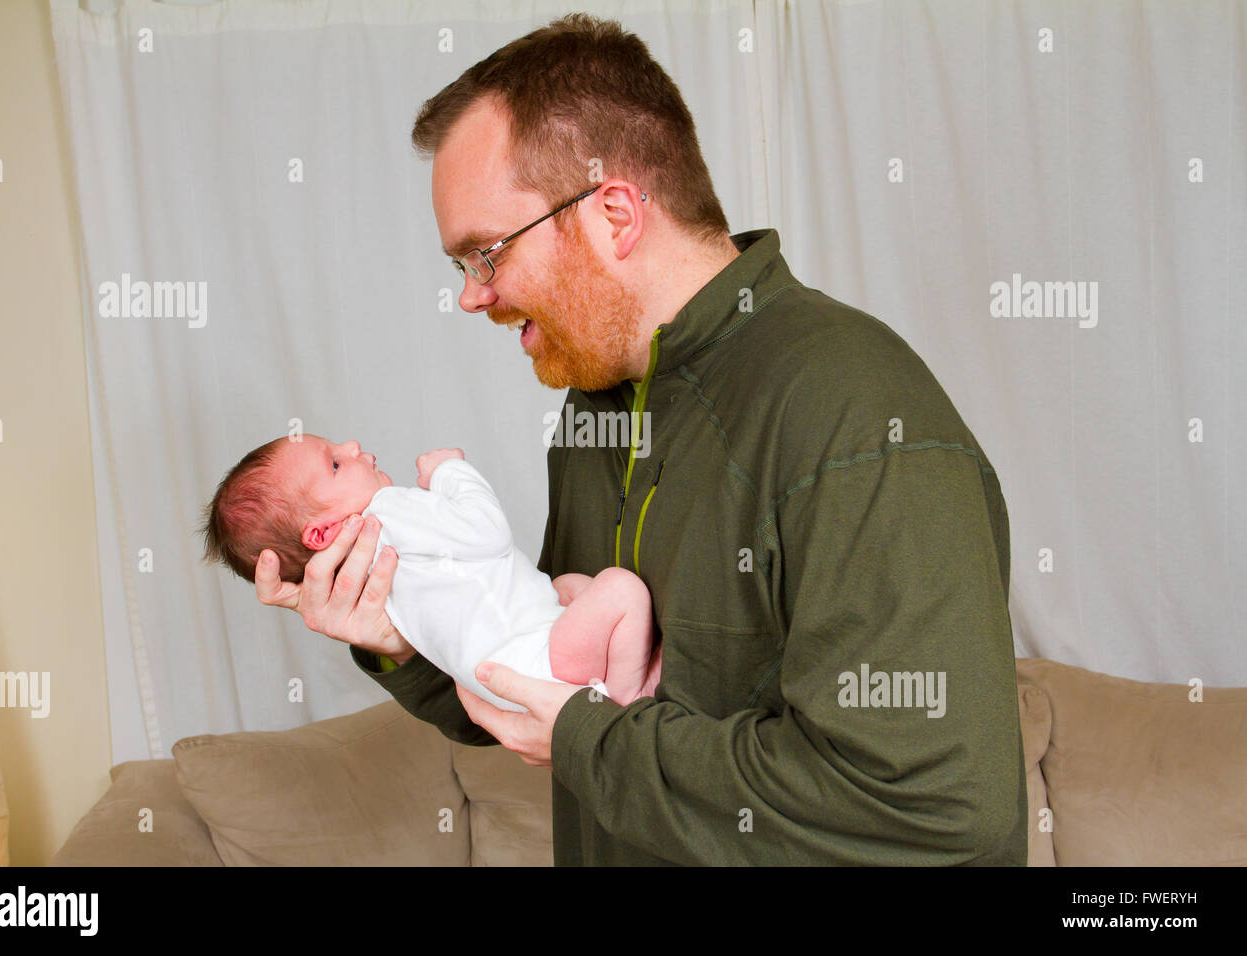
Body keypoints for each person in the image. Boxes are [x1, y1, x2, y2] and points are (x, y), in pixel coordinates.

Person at [255, 14, 1028, 865]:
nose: (472, 297)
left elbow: (934, 812)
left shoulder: (857, 411)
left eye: (486, 254)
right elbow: (547, 677)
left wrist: (595, 741)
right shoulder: (596, 411)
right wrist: (397, 636)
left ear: (615, 213)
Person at [201, 434, 660, 710]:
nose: (353, 447)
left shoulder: (372, 583)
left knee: (569, 587)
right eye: (336, 463)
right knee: (619, 589)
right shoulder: (386, 512)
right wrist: (451, 472)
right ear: (321, 535)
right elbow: (488, 533)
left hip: (505, 684)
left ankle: (607, 685)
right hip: (537, 661)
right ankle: (625, 700)